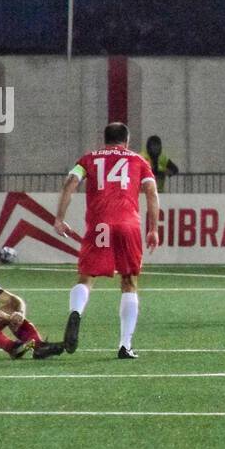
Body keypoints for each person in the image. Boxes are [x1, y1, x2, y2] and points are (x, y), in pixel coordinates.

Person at [54, 122, 160, 359]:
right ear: (127, 140)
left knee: (86, 278)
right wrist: (153, 228)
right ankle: (125, 345)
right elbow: (152, 193)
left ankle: (76, 312)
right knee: (129, 282)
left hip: (99, 224)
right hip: (128, 225)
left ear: (105, 139)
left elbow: (70, 183)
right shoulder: (139, 161)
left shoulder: (88, 159)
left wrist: (59, 218)